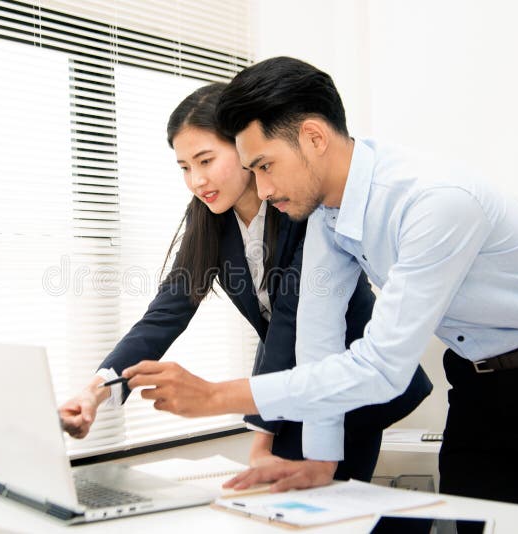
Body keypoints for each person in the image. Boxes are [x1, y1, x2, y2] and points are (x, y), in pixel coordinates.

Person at [122, 57, 518, 514]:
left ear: (312, 137)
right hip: (477, 382)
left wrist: (216, 396)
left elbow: (382, 367)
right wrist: (321, 458)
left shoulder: (435, 201)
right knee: (469, 522)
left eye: (265, 165)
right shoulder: (329, 211)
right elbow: (318, 342)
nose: (262, 189)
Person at [60, 83, 432, 481]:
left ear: (243, 148)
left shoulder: (304, 206)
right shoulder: (208, 221)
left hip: (350, 381)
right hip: (291, 380)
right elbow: (165, 314)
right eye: (185, 167)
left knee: (325, 509)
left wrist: (260, 439)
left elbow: (291, 321)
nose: (197, 181)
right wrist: (95, 391)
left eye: (205, 160)